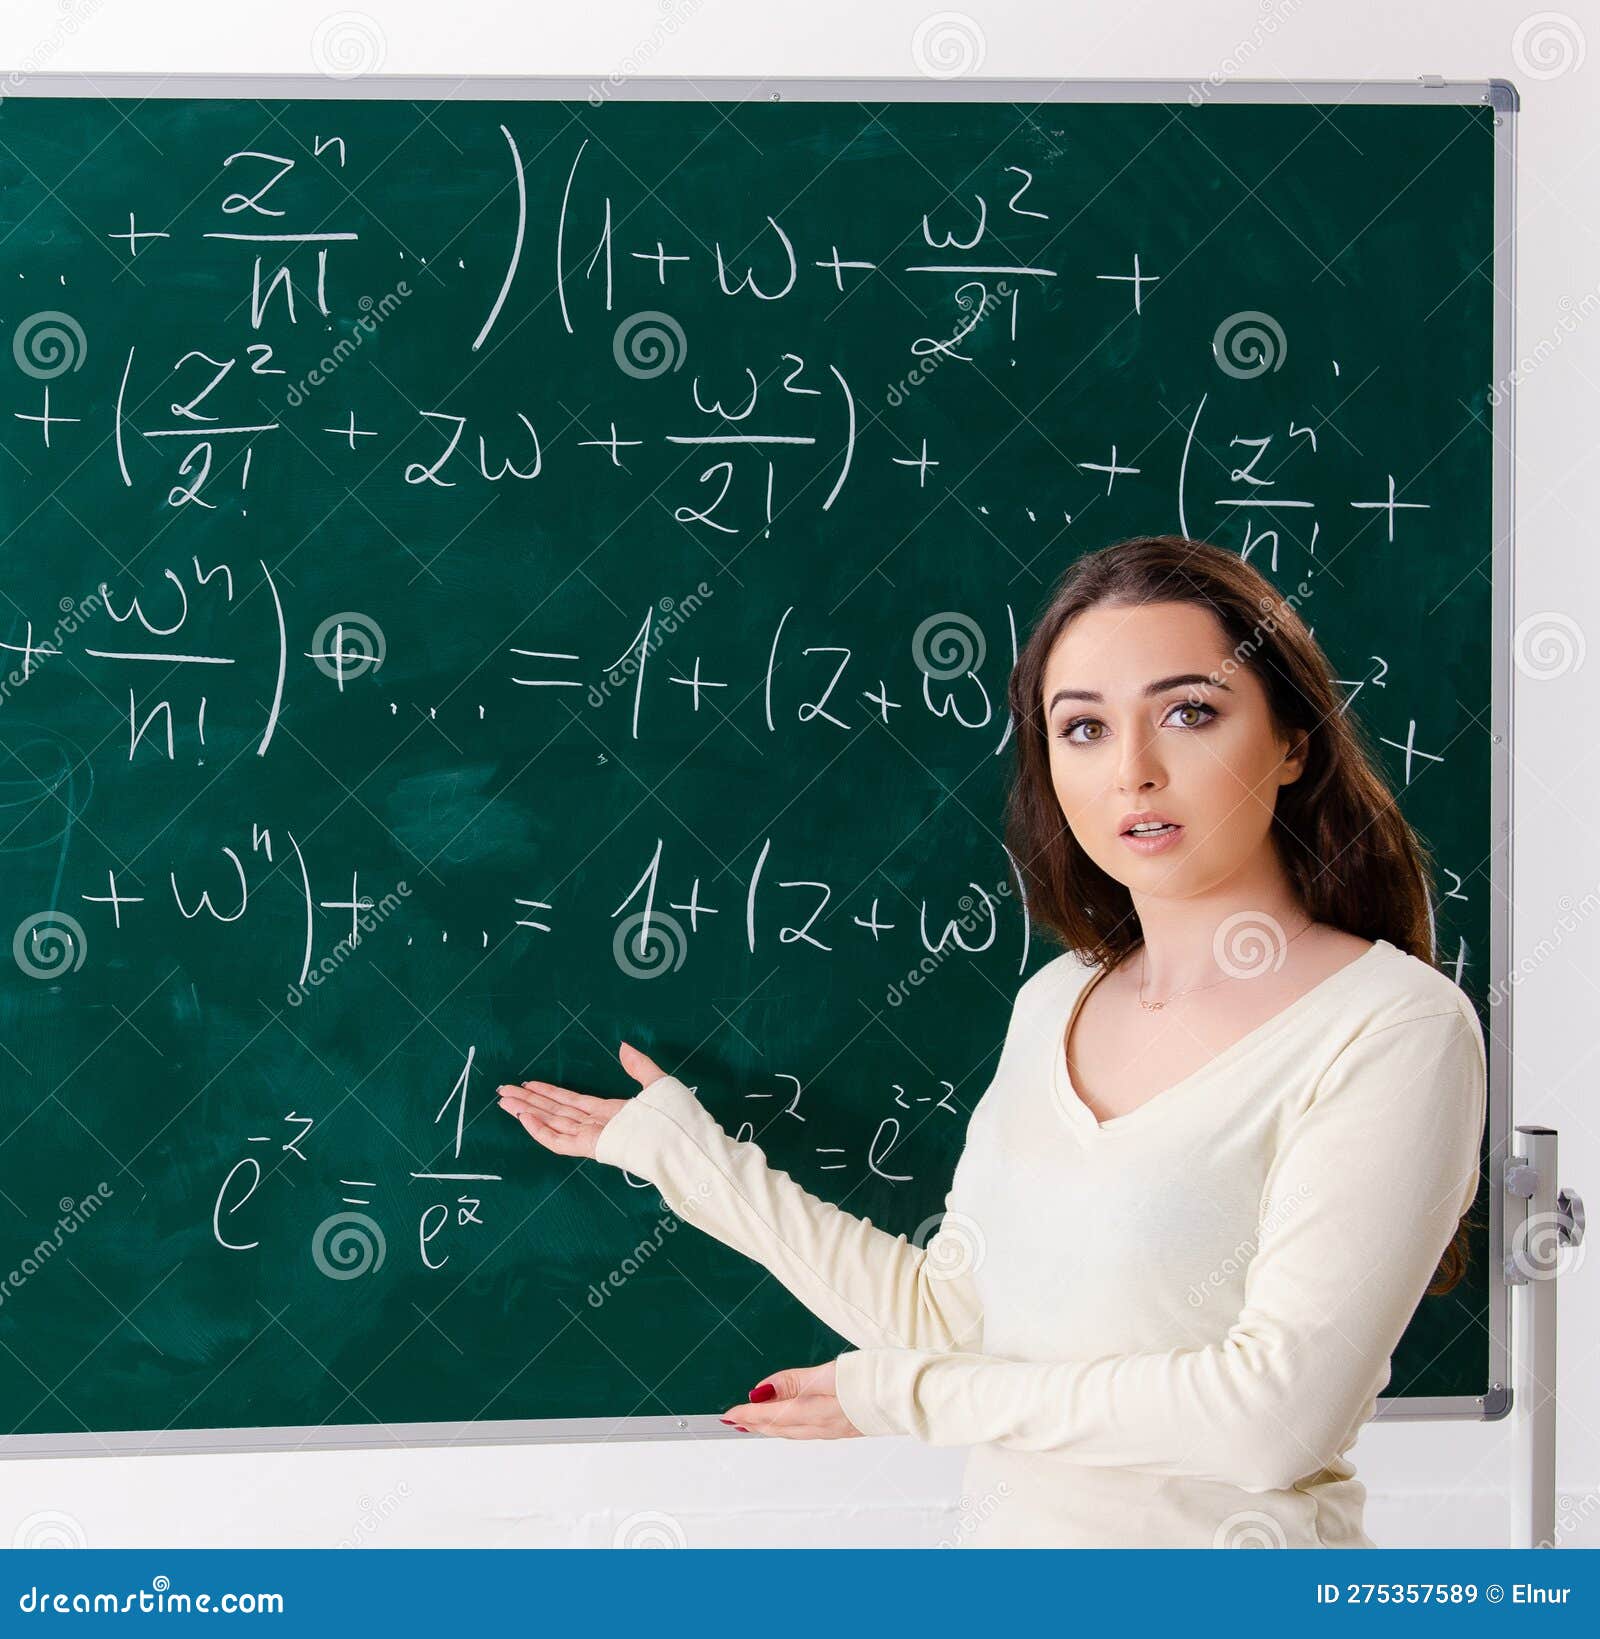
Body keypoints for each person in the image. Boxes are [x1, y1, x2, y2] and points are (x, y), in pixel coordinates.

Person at [496, 534, 1487, 1549]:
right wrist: (686, 1160)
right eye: (1084, 728)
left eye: (1188, 712)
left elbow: (1272, 1420)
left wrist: (900, 1397)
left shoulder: (1391, 1026)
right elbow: (954, 1320)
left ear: (1292, 742)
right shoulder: (1056, 1002)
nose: (1134, 772)